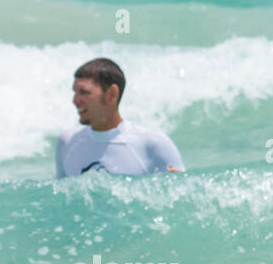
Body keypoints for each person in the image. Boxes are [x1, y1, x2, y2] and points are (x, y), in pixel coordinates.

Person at [54, 58, 185, 178]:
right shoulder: (67, 142)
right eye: (75, 92)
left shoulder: (154, 145)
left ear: (112, 94)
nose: (75, 100)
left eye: (84, 92)